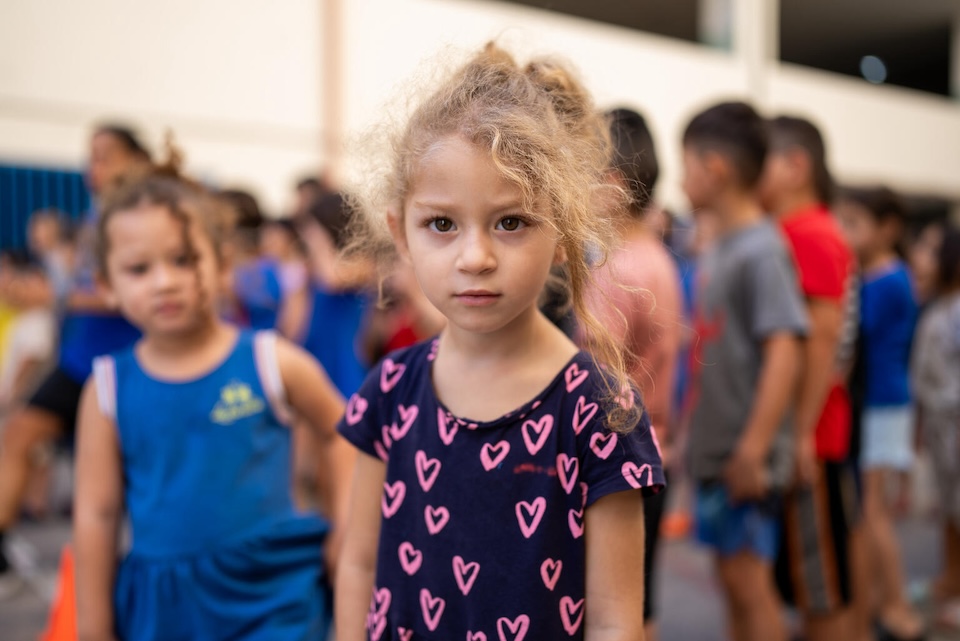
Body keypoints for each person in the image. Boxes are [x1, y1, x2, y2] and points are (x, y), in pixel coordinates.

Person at [335, 43, 665, 641]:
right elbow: (358, 562)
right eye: (442, 224)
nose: (475, 257)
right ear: (400, 234)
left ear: (563, 233)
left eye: (511, 222)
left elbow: (616, 620)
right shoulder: (390, 389)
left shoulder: (599, 410)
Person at [73, 152, 354, 641]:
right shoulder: (106, 390)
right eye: (138, 269)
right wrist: (93, 627)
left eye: (184, 259)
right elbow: (96, 515)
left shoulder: (270, 360)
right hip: (165, 610)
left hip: (274, 597)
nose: (165, 282)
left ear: (223, 264)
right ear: (106, 285)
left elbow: (346, 433)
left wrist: (348, 529)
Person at [0, 124, 148, 594]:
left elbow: (129, 291)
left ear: (136, 160)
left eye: (106, 156)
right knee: (20, 432)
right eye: (91, 156)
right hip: (79, 361)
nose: (93, 167)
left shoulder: (141, 214)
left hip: (123, 367)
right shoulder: (94, 214)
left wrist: (53, 297)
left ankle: (134, 572)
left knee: (121, 477)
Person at [682, 101, 808, 641]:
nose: (681, 179)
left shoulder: (762, 249)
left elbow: (785, 349)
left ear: (714, 170)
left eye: (686, 164)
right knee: (731, 580)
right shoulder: (722, 246)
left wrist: (754, 449)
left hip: (743, 455)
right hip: (718, 450)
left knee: (750, 583)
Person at [758, 115, 859, 640]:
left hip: (810, 441)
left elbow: (823, 338)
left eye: (762, 159)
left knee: (819, 588)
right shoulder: (793, 231)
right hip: (800, 435)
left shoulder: (811, 233)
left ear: (796, 166)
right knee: (806, 581)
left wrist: (800, 432)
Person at [585, 106, 681, 641]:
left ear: (614, 185)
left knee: (615, 607)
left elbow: (592, 374)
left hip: (618, 461)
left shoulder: (617, 270)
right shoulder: (657, 257)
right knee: (639, 605)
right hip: (652, 449)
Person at [835, 186, 924, 641]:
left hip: (882, 403)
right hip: (874, 401)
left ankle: (897, 609)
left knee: (873, 512)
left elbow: (854, 329)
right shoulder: (876, 276)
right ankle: (873, 603)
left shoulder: (888, 280)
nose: (846, 232)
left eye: (855, 223)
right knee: (868, 511)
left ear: (888, 228)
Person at [911, 225, 960, 634]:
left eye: (931, 249)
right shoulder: (940, 306)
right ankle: (951, 578)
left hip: (955, 423)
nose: (920, 257)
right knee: (950, 507)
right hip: (942, 426)